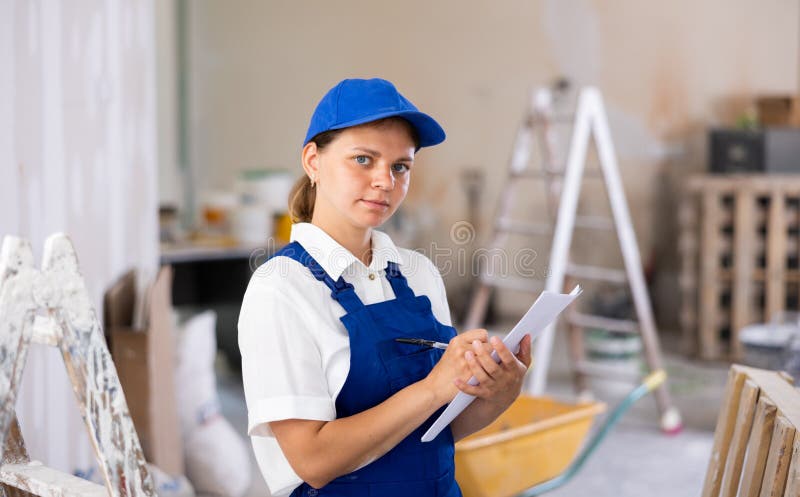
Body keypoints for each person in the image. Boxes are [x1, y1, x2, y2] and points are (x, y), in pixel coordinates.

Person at [238, 78, 532, 497]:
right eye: (363, 159)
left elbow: (438, 430)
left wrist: (499, 391)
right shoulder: (281, 288)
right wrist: (432, 387)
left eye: (400, 166)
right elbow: (313, 461)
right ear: (313, 161)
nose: (385, 181)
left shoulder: (418, 273)